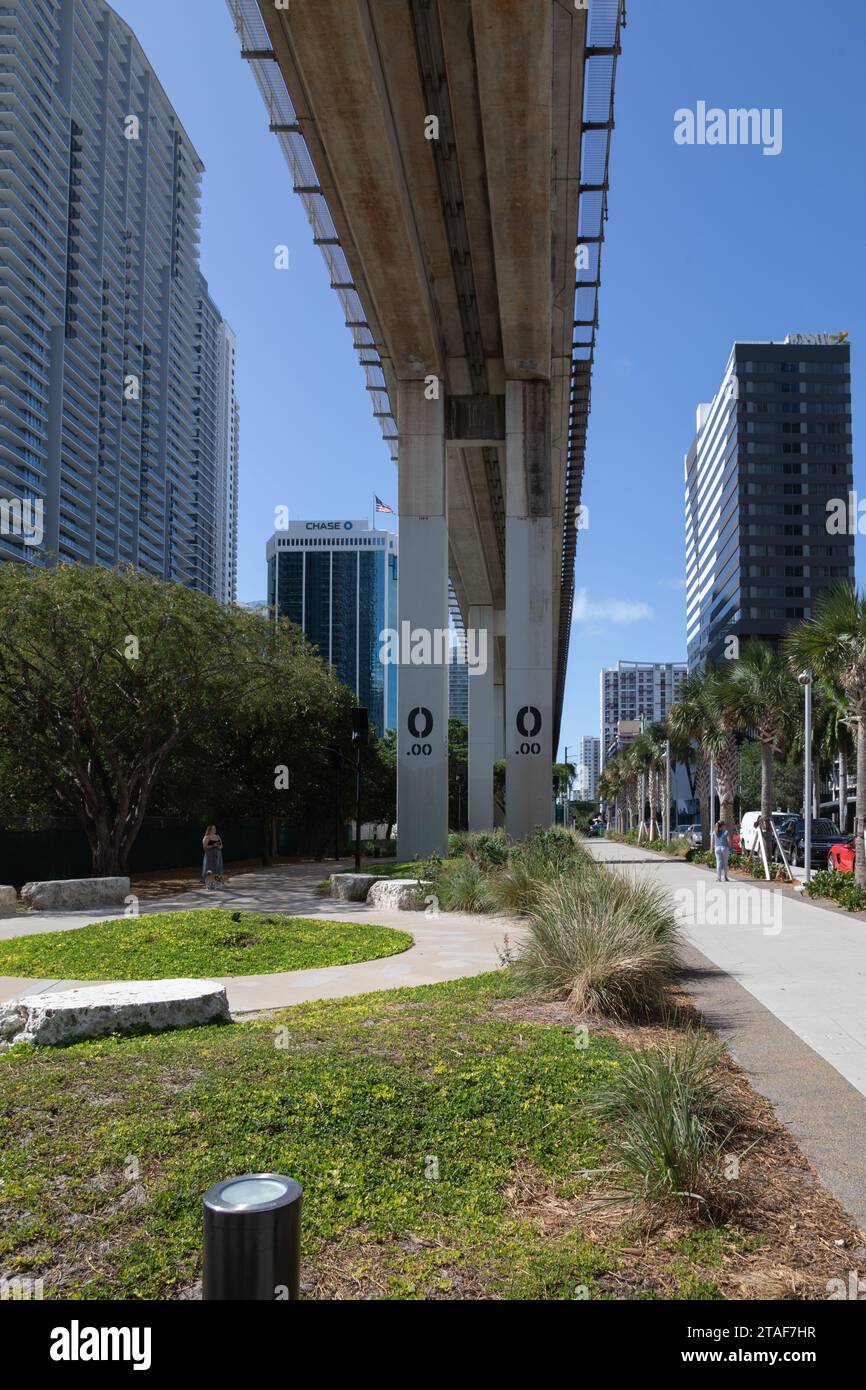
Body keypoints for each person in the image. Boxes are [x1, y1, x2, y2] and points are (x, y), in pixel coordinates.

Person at [202, 824, 224, 890]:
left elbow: (222, 846)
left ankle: (217, 884)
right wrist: (213, 845)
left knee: (218, 868)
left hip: (218, 854)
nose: (215, 829)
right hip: (210, 855)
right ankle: (209, 884)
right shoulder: (207, 837)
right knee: (210, 869)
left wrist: (218, 846)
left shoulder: (217, 836)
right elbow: (204, 847)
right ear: (210, 829)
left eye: (215, 828)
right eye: (213, 828)